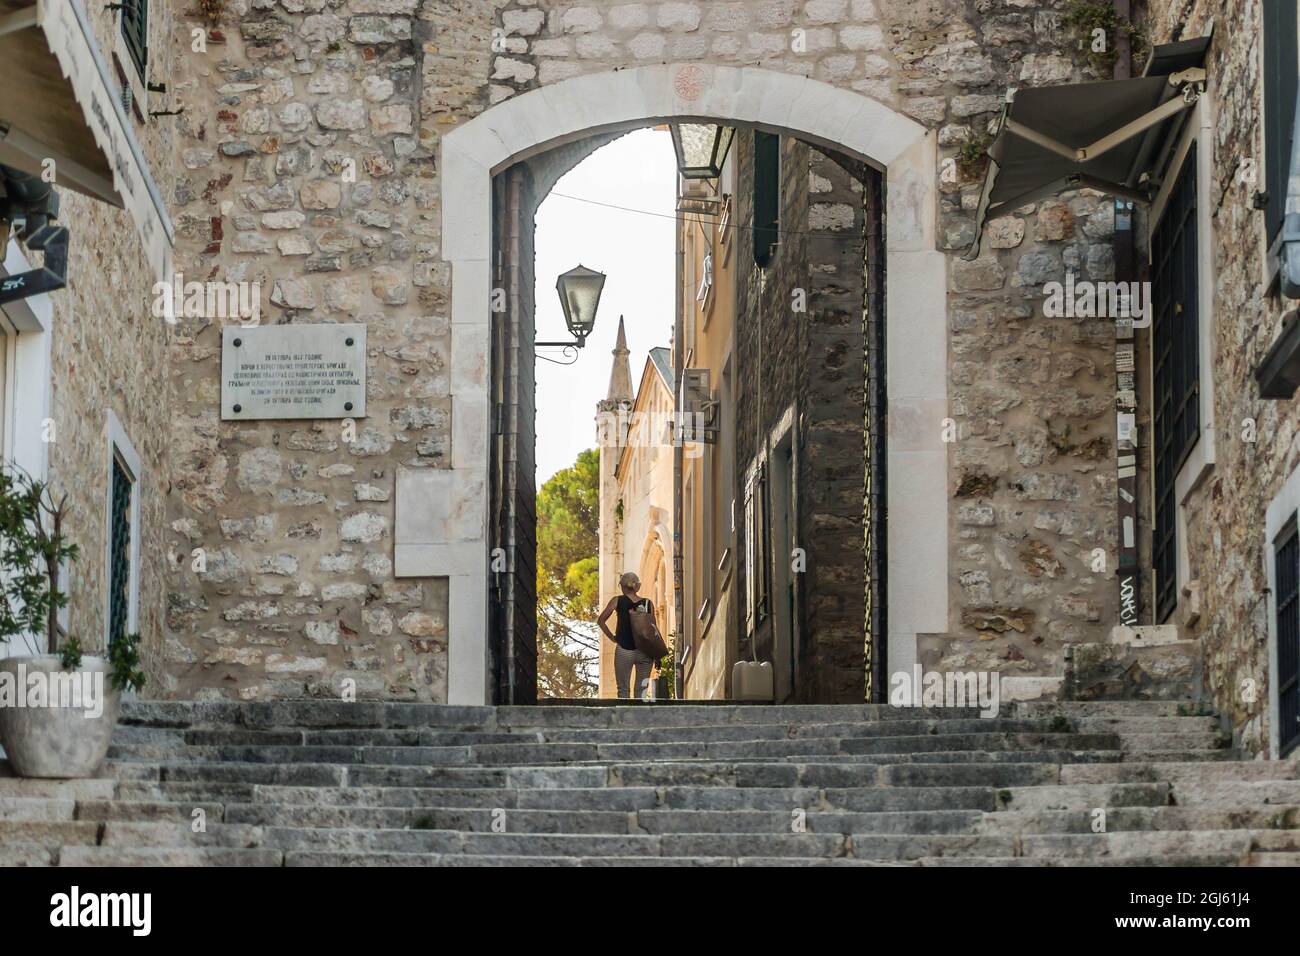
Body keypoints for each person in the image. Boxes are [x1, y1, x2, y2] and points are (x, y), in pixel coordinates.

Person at [598, 571, 656, 699]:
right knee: (641, 691)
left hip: (624, 650)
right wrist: (656, 654)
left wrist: (613, 638)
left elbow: (601, 620)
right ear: (636, 586)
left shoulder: (617, 600)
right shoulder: (648, 603)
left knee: (623, 690)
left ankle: (625, 717)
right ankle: (639, 717)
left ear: (623, 586)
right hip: (645, 651)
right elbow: (653, 629)